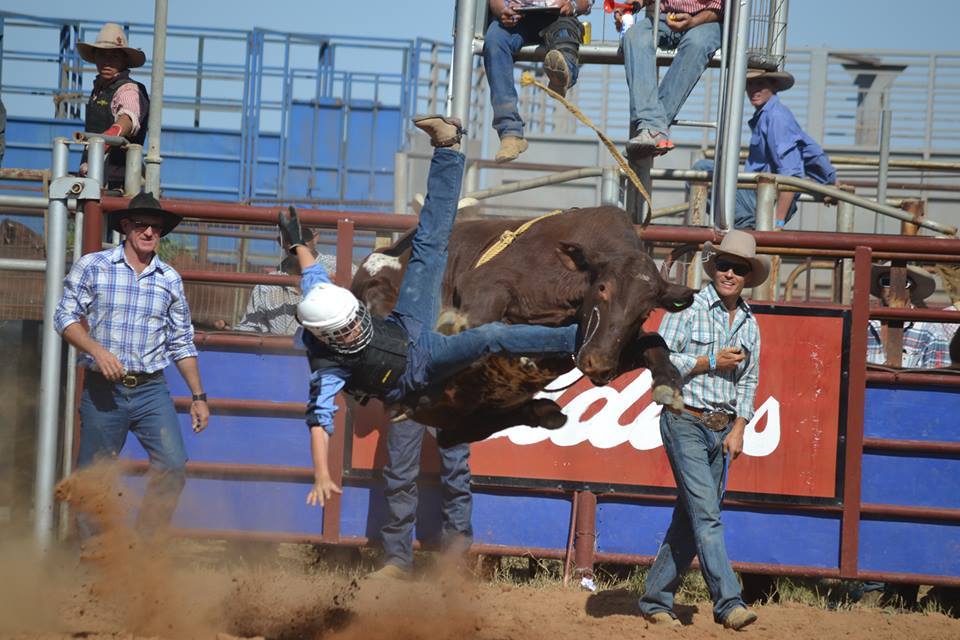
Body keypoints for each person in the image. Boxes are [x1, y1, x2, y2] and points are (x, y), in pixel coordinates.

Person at [284, 115, 583, 508]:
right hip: (416, 377)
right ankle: (575, 341)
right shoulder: (326, 370)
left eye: (355, 320)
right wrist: (322, 474)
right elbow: (319, 424)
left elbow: (309, 268)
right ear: (328, 339)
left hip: (405, 329)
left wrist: (294, 243)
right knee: (488, 339)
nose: (356, 329)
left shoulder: (323, 299)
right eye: (346, 331)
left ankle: (447, 149)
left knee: (429, 246)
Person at [54, 191, 210, 536]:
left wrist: (198, 396)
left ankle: (141, 551)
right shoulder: (93, 266)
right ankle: (95, 559)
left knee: (172, 465)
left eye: (155, 227)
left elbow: (181, 340)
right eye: (142, 224)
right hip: (103, 391)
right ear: (126, 226)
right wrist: (96, 349)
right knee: (96, 475)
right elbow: (64, 315)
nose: (149, 232)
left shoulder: (169, 279)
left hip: (150, 389)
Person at [638, 229, 766, 630]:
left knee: (691, 516)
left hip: (721, 426)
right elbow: (662, 362)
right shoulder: (687, 308)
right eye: (724, 265)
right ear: (714, 268)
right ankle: (728, 603)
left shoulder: (750, 323)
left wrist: (740, 427)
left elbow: (748, 381)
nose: (729, 273)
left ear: (747, 275)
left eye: (738, 268)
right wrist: (710, 361)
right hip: (684, 418)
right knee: (707, 515)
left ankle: (656, 600)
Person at [694, 68, 836, 229]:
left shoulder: (776, 117)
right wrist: (830, 182)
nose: (754, 90)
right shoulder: (771, 114)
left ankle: (747, 226)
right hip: (762, 196)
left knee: (701, 169)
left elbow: (791, 175)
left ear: (774, 86)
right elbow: (810, 152)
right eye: (749, 84)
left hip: (766, 200)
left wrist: (778, 223)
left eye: (760, 84)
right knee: (705, 171)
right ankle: (745, 226)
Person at [483, 0, 595, 163]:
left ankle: (562, 75)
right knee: (495, 41)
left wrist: (573, 5)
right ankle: (510, 134)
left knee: (565, 35)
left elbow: (585, 3)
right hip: (518, 17)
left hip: (558, 17)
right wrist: (501, 10)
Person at [368, 418, 473, 580]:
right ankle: (398, 562)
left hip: (450, 397)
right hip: (409, 396)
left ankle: (453, 565)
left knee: (455, 477)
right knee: (400, 474)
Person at [622, 1, 723, 156]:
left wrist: (694, 21)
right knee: (634, 36)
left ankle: (652, 128)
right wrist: (632, 5)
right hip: (667, 17)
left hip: (709, 20)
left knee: (696, 43)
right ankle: (654, 129)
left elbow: (726, 8)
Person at [77, 23, 149, 189]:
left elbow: (129, 116)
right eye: (102, 55)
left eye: (114, 56)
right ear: (95, 57)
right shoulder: (99, 90)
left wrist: (111, 134)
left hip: (119, 184)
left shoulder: (129, 89)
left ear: (125, 60)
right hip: (97, 177)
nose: (107, 62)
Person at [866, 264, 951, 369]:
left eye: (902, 282)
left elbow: (937, 377)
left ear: (912, 289)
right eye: (886, 282)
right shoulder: (864, 325)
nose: (894, 288)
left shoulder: (930, 330)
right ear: (880, 287)